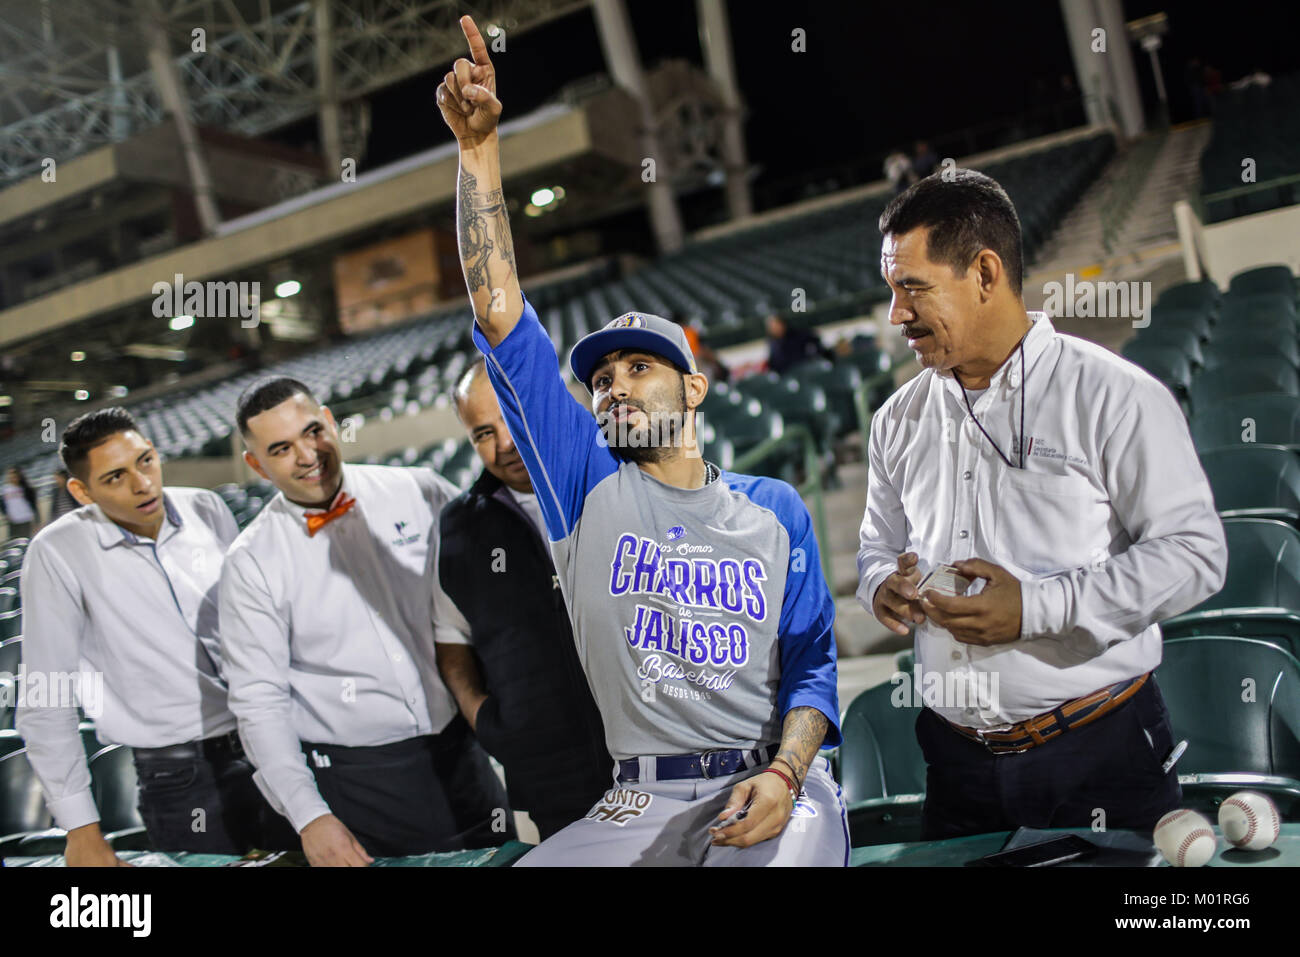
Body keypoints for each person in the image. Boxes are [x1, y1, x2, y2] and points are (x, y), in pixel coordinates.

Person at [437, 15, 846, 867]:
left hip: (770, 783)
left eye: (639, 366)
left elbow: (813, 671)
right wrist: (478, 153)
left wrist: (786, 771)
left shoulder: (776, 509)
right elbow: (499, 309)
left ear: (695, 386)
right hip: (635, 792)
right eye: (603, 376)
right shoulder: (582, 485)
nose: (615, 382)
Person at [855, 170, 1227, 840]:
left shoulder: (1114, 395)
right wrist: (883, 583)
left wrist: (1035, 607)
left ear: (986, 273)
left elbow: (1196, 554)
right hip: (954, 760)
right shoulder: (895, 420)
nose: (895, 314)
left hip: (1100, 749)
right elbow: (876, 545)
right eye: (891, 290)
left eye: (912, 287)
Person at [218, 376, 512, 866]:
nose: (308, 454)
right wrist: (310, 817)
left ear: (331, 421)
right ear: (256, 464)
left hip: (464, 755)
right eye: (281, 448)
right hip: (361, 783)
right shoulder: (250, 563)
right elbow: (258, 704)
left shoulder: (418, 490)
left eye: (313, 431)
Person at [17, 408, 296, 865]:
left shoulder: (206, 508)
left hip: (272, 737)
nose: (142, 483)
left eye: (146, 460)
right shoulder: (57, 552)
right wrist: (81, 830)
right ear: (81, 491)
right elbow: (45, 695)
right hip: (180, 775)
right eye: (115, 477)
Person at [435, 360, 612, 840]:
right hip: (550, 776)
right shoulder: (458, 527)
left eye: (512, 420)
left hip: (657, 755)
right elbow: (449, 636)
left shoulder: (614, 480)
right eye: (482, 433)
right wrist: (489, 722)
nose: (504, 444)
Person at [765, 314, 835, 374]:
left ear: (783, 324)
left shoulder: (799, 335)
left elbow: (817, 348)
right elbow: (774, 363)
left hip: (807, 370)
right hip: (788, 376)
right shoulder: (773, 343)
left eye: (776, 325)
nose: (775, 329)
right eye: (772, 327)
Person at [2, 466, 38, 539]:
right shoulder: (5, 490)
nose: (13, 477)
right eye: (11, 475)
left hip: (26, 519)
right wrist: (6, 515)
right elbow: (3, 506)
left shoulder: (26, 488)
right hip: (13, 521)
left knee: (26, 540)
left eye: (15, 475)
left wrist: (36, 520)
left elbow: (34, 504)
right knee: (14, 542)